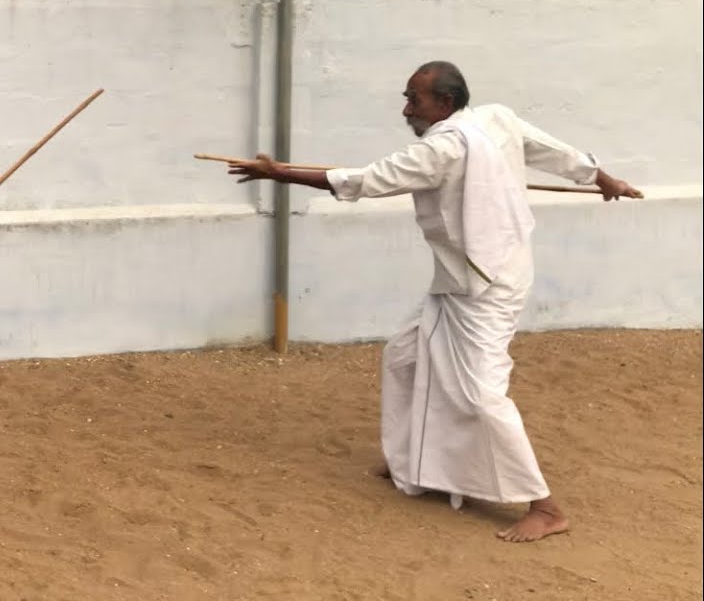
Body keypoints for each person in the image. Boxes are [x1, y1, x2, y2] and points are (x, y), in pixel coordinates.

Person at [224, 61, 642, 543]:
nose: (406, 108)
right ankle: (414, 462)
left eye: (414, 100)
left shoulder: (444, 147)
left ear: (444, 103)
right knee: (403, 356)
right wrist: (602, 178)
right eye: (406, 96)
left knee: (481, 396)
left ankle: (544, 507)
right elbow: (555, 152)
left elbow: (366, 180)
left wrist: (278, 174)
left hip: (486, 284)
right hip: (470, 274)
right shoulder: (494, 119)